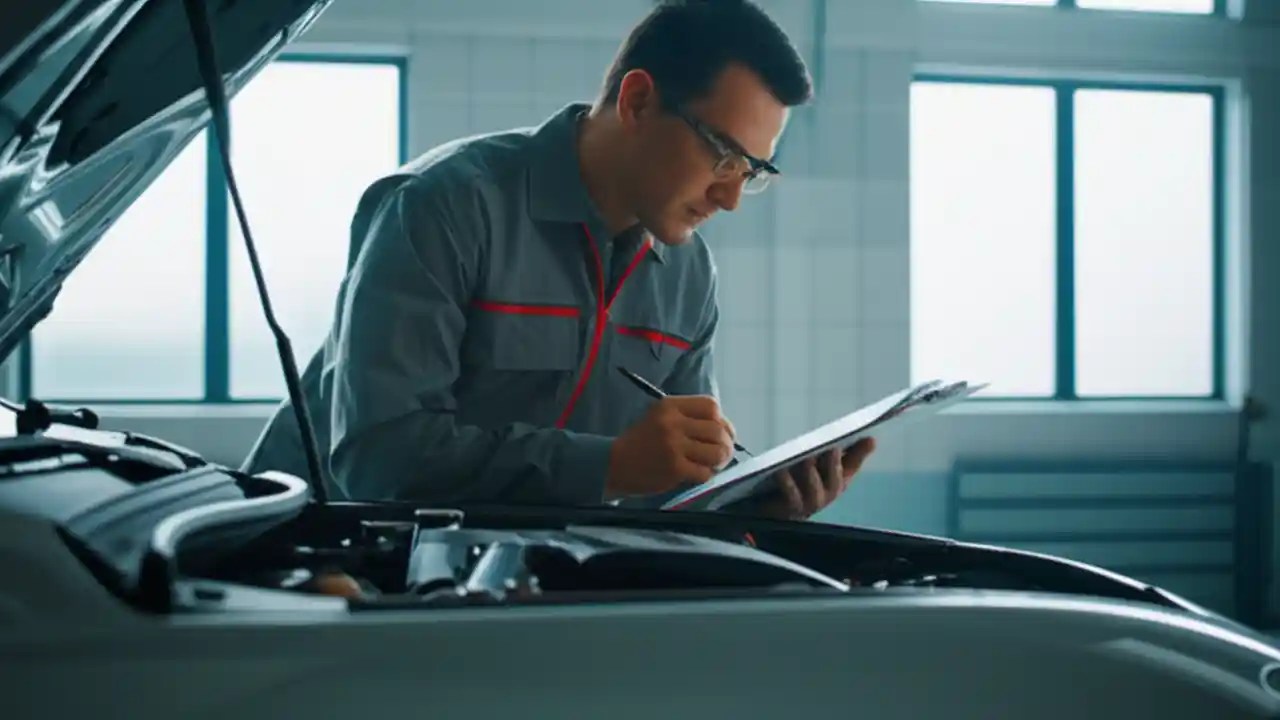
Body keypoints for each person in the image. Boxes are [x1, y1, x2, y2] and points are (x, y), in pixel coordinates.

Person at [243, 0, 875, 518]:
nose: (732, 197)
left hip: (509, 589)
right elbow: (379, 462)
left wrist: (751, 507)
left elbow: (669, 487)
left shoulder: (688, 276)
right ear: (637, 102)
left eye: (753, 170)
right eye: (722, 154)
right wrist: (610, 466)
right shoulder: (443, 207)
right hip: (317, 578)